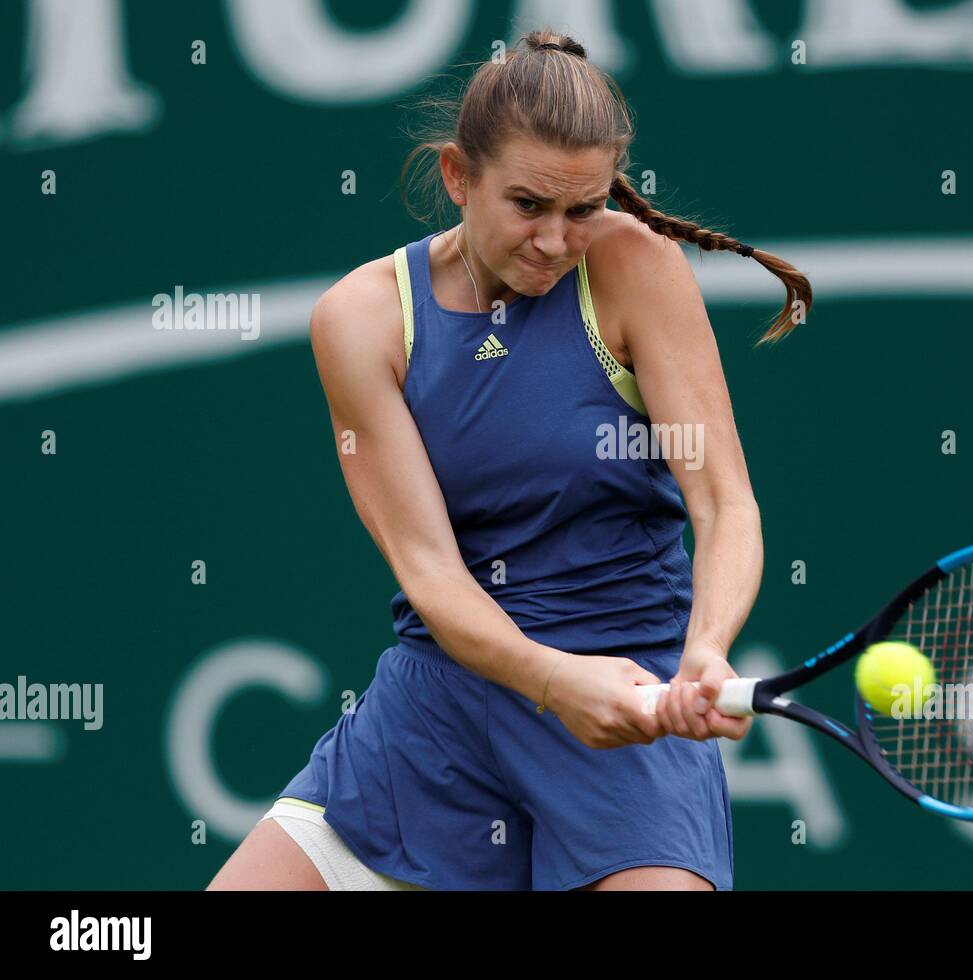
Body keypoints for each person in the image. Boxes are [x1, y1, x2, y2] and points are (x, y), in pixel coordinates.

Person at [208, 28, 811, 892]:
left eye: (582, 209)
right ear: (459, 176)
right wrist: (553, 680)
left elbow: (724, 506)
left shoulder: (637, 270)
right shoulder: (363, 321)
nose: (555, 241)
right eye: (527, 205)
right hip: (441, 717)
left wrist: (705, 650)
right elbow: (432, 575)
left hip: (628, 696)